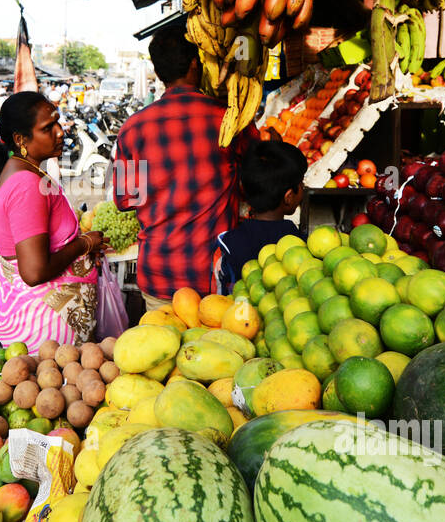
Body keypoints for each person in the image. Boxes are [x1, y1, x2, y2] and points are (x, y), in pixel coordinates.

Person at [111, 26, 259, 309]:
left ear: (158, 72)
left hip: (159, 274)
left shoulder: (132, 129)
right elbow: (257, 179)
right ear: (195, 64)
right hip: (215, 276)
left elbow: (125, 200)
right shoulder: (229, 121)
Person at [0, 92, 109, 346]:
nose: (60, 132)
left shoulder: (25, 172)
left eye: (58, 122)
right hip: (46, 332)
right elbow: (34, 271)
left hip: (46, 325)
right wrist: (84, 244)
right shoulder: (26, 185)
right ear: (20, 139)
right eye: (47, 128)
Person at [216, 141, 307, 293]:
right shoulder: (302, 244)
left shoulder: (228, 242)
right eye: (301, 183)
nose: (303, 187)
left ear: (242, 187)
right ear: (289, 197)